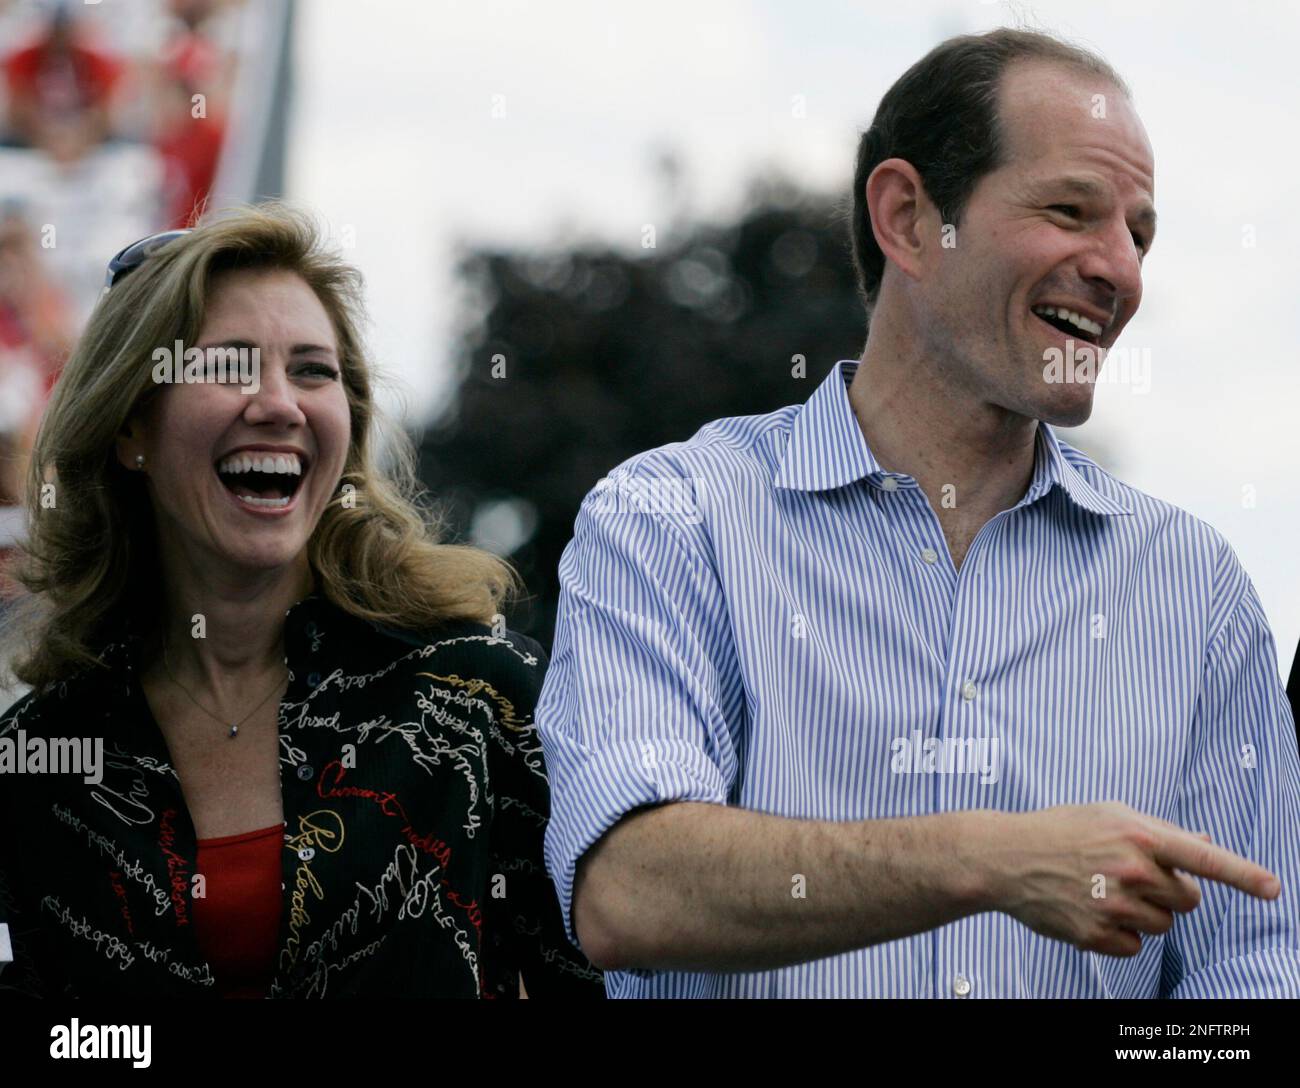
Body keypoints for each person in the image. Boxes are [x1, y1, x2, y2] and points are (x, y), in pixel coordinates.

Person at [535, 27, 1300, 998]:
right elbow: (629, 889)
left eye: (1138, 236)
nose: (1122, 271)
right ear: (906, 218)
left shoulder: (1197, 590)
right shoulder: (670, 520)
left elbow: (1252, 973)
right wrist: (990, 857)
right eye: (1071, 211)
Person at [0, 204, 604, 998]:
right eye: (229, 366)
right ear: (129, 427)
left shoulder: (479, 693)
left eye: (314, 371)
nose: (280, 404)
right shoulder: (39, 752)